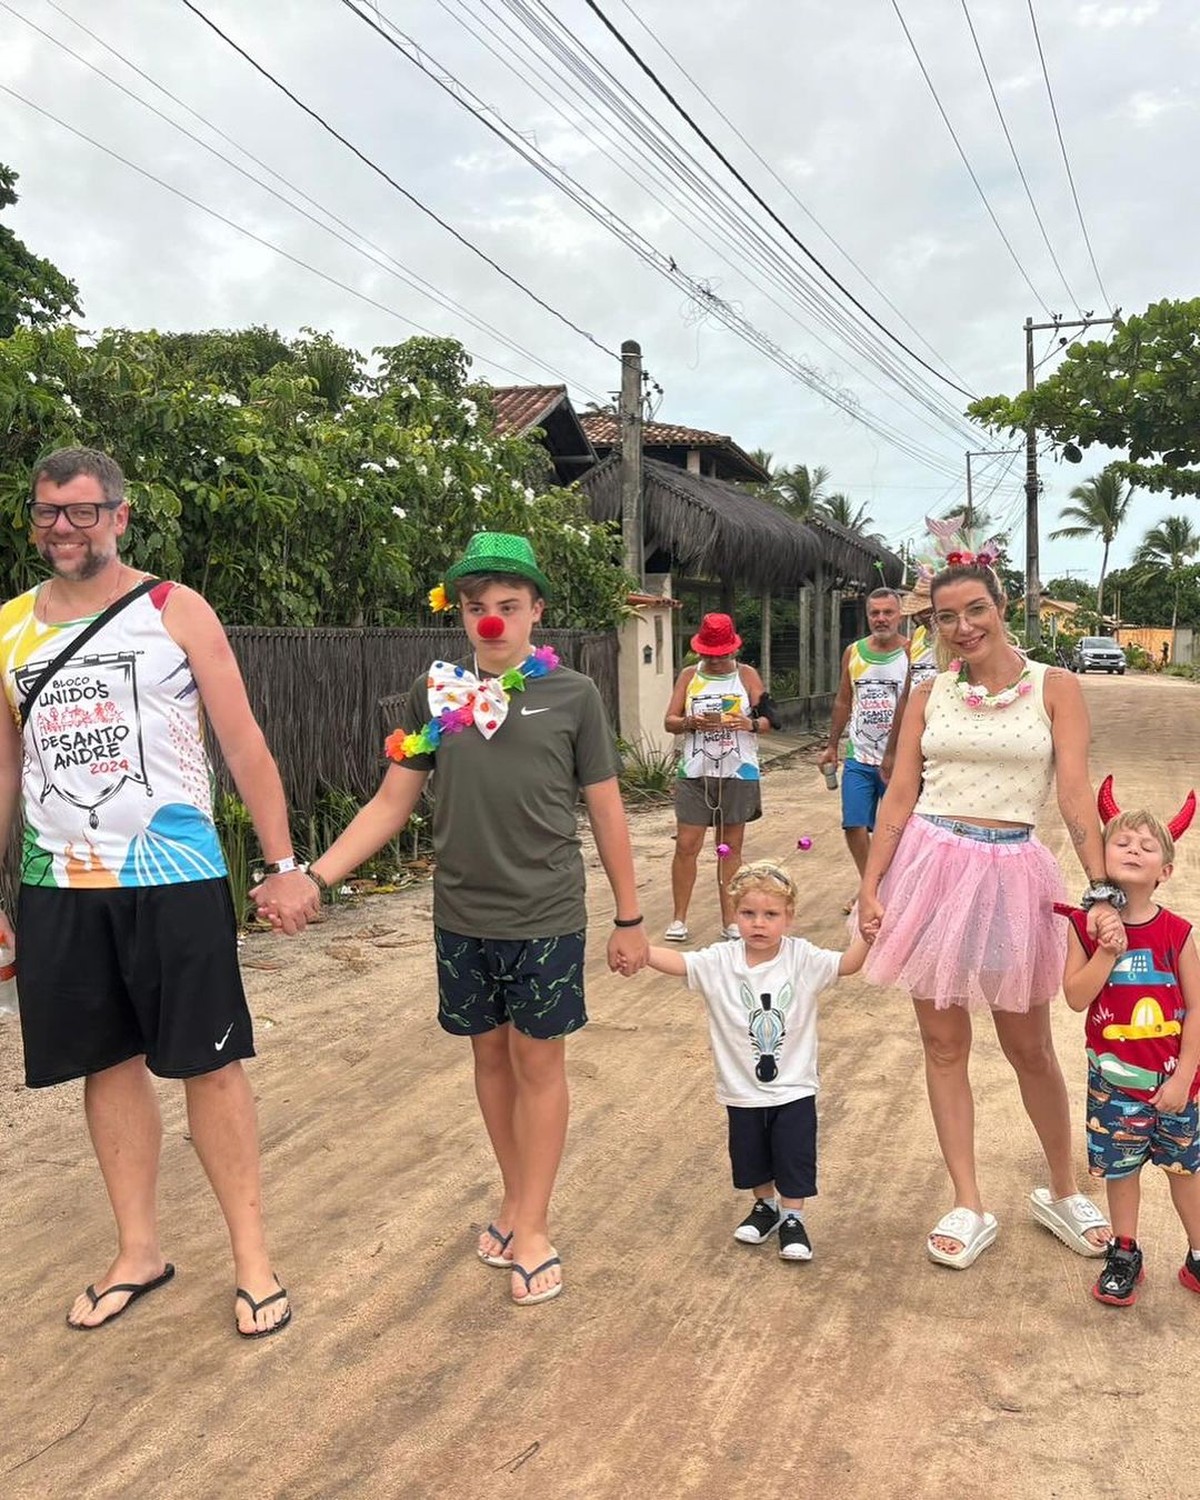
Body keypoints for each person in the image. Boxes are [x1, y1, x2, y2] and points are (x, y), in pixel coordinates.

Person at [0, 447, 314, 1335]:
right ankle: (138, 1249)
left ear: (120, 516)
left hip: (173, 876)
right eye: (47, 511)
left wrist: (284, 863)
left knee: (208, 1062)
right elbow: (7, 766)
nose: (62, 527)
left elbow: (244, 743)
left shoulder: (174, 609)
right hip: (58, 882)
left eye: (82, 511)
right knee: (105, 1061)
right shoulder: (10, 628)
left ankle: (253, 1258)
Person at [287, 533, 648, 1307]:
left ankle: (538, 1226)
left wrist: (630, 915)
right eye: (477, 608)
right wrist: (314, 874)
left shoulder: (574, 695)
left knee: (538, 1063)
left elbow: (607, 810)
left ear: (536, 612)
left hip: (546, 914)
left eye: (508, 607)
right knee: (489, 1059)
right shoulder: (435, 695)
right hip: (462, 917)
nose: (492, 622)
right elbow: (391, 804)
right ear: (461, 616)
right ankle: (516, 1200)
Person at [856, 548, 1113, 1269]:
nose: (963, 626)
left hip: (1014, 875)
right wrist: (873, 884)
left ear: (1001, 607)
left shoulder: (1054, 688)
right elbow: (900, 795)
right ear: (933, 625)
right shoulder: (927, 692)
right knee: (944, 1045)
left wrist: (1100, 894)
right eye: (947, 617)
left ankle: (1062, 1189)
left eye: (976, 609)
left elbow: (1073, 798)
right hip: (931, 869)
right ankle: (968, 1200)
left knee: (1029, 1046)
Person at [629, 861, 867, 1261]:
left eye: (771, 915)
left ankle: (793, 1217)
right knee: (751, 1154)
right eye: (748, 914)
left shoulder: (801, 959)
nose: (759, 924)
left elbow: (847, 964)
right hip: (740, 1088)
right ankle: (765, 1206)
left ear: (789, 918)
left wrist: (868, 936)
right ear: (734, 913)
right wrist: (641, 950)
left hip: (793, 1087)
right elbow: (681, 963)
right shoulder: (720, 961)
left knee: (793, 1153)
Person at [1062, 781, 1200, 1306]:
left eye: (1148, 846)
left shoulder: (1177, 932)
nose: (1134, 849)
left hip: (1176, 1085)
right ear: (1101, 856)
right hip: (1114, 1087)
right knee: (1120, 1172)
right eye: (1122, 842)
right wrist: (1104, 953)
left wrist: (1186, 1075)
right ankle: (1125, 1251)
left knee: (1186, 1170)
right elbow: (1075, 997)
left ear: (1165, 871)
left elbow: (1198, 1007)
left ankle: (1197, 1256)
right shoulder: (1082, 927)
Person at [662, 614, 772, 942]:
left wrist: (748, 724)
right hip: (696, 771)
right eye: (710, 654)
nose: (716, 660)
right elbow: (669, 720)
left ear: (732, 649)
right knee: (686, 845)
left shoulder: (747, 676)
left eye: (721, 654)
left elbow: (770, 719)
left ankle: (731, 919)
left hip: (738, 770)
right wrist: (689, 723)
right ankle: (679, 918)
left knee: (729, 848)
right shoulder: (688, 676)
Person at [818, 589, 908, 904]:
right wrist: (832, 745)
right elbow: (844, 700)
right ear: (867, 615)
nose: (881, 619)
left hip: (900, 762)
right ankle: (871, 888)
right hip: (859, 755)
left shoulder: (910, 653)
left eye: (888, 612)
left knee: (900, 832)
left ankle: (893, 891)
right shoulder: (853, 652)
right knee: (854, 825)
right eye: (875, 613)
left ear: (900, 615)